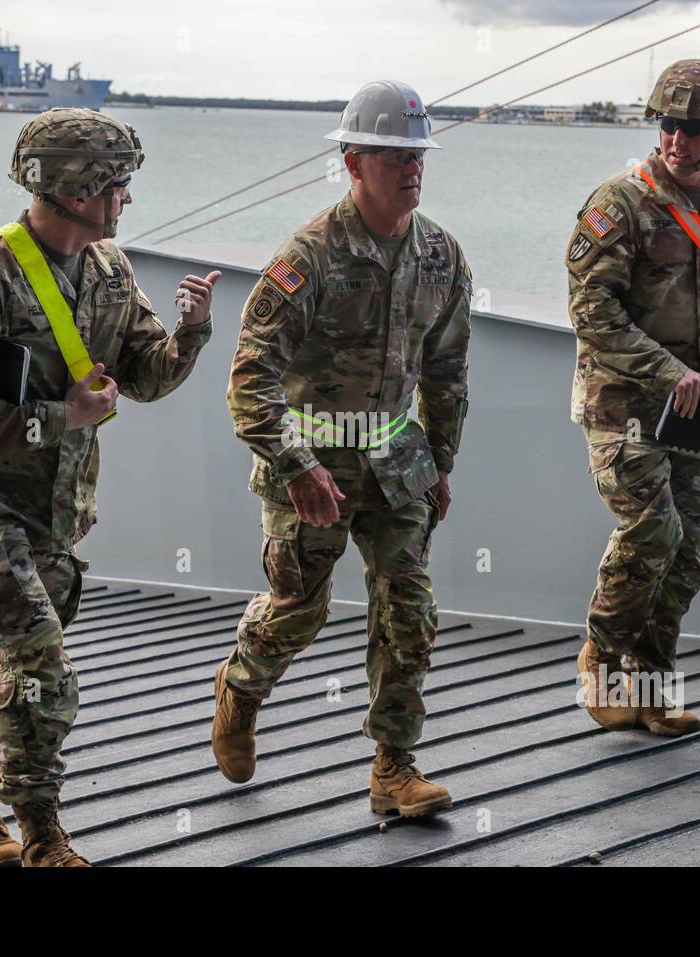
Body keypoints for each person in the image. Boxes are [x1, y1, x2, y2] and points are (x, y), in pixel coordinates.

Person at [0, 107, 218, 866]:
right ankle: (44, 833)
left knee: (7, 662)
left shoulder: (109, 270)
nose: (127, 198)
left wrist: (192, 332)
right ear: (74, 186)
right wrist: (61, 415)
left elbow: (144, 377)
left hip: (52, 517)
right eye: (116, 182)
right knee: (42, 665)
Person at [213, 80, 471, 819]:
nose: (410, 169)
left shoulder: (441, 257)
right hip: (315, 462)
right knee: (300, 606)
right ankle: (240, 686)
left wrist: (443, 463)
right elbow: (250, 377)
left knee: (409, 609)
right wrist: (295, 465)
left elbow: (448, 370)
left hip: (397, 460)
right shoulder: (310, 257)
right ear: (353, 163)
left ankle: (394, 766)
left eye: (416, 154)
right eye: (393, 155)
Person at [564, 58, 700, 735]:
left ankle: (654, 687)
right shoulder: (619, 204)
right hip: (622, 402)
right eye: (667, 124)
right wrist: (665, 370)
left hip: (699, 408)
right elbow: (591, 309)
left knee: (685, 548)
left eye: (693, 128)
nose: (676, 140)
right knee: (652, 529)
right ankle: (600, 659)